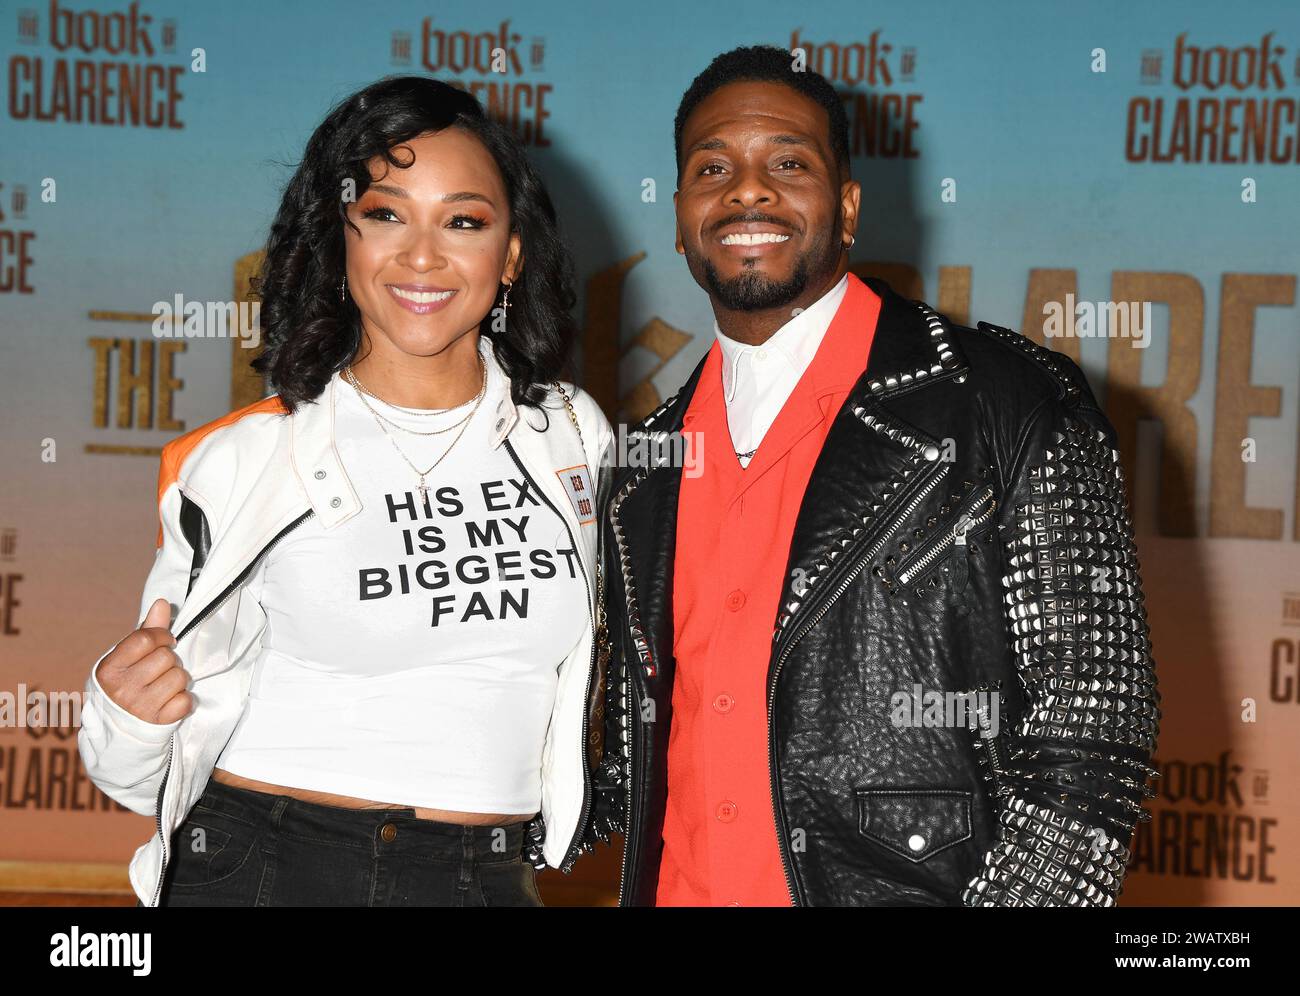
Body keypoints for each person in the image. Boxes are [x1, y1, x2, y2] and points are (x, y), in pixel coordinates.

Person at [580, 45, 1161, 906]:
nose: (748, 190)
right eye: (713, 167)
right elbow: (628, 768)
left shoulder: (1001, 403)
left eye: (787, 162)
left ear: (846, 207)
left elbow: (1097, 719)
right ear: (678, 217)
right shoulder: (640, 469)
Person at [77, 76, 613, 907]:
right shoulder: (245, 459)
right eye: (387, 214)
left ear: (510, 255)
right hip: (266, 866)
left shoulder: (574, 437)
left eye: (463, 221)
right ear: (342, 239)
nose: (423, 255)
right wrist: (127, 710)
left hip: (492, 876)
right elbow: (133, 772)